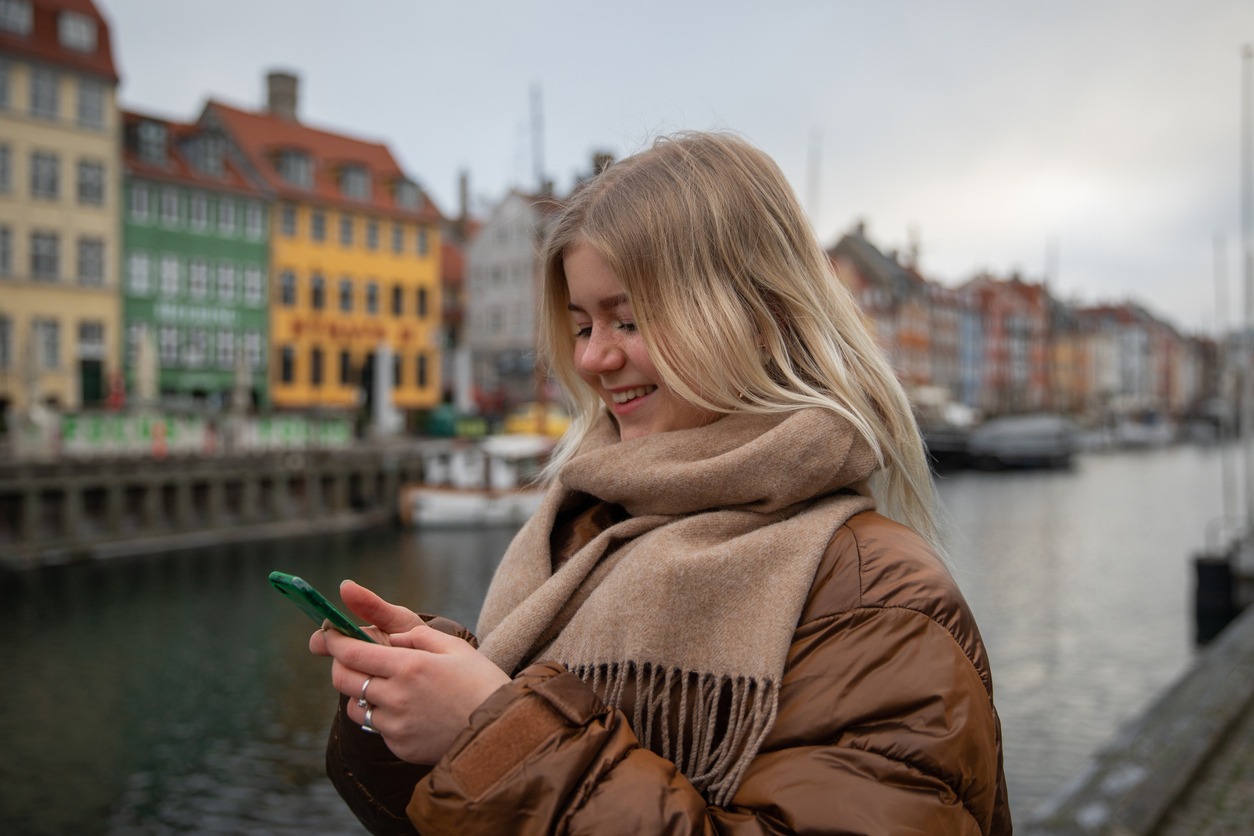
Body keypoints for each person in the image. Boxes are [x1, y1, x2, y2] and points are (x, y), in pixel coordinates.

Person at [310, 131, 1013, 834]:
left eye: (629, 319)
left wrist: (495, 734)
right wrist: (417, 701)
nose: (593, 359)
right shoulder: (579, 530)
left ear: (761, 317)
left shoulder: (876, 598)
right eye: (582, 326)